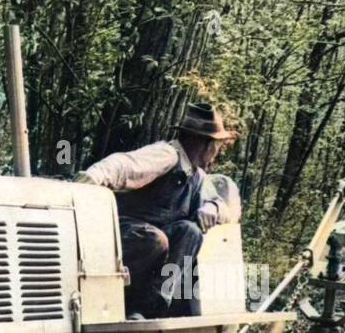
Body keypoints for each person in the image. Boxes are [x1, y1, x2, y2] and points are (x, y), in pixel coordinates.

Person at [76, 102, 239, 318]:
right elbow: (122, 165)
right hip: (118, 240)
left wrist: (214, 206)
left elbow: (228, 207)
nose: (217, 153)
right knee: (155, 239)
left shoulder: (196, 175)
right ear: (204, 144)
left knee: (190, 232)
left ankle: (149, 308)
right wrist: (85, 184)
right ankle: (119, 302)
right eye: (217, 146)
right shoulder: (166, 155)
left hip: (148, 253)